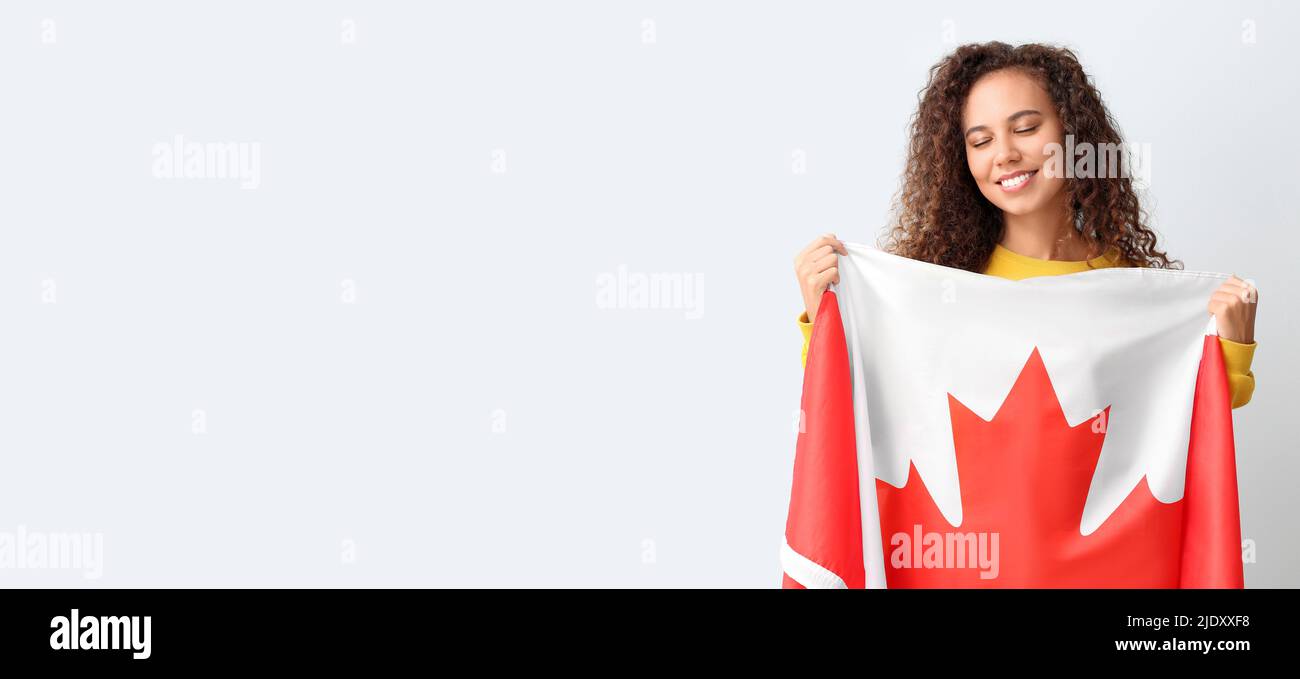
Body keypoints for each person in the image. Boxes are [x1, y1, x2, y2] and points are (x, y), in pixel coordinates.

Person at [792, 42, 1258, 408]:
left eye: (1027, 128)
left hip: (1098, 533)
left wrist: (1232, 347)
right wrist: (823, 317)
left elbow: (1181, 420)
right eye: (981, 140)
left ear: (1073, 135)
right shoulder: (937, 283)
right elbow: (860, 396)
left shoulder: (1130, 283)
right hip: (971, 527)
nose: (1004, 154)